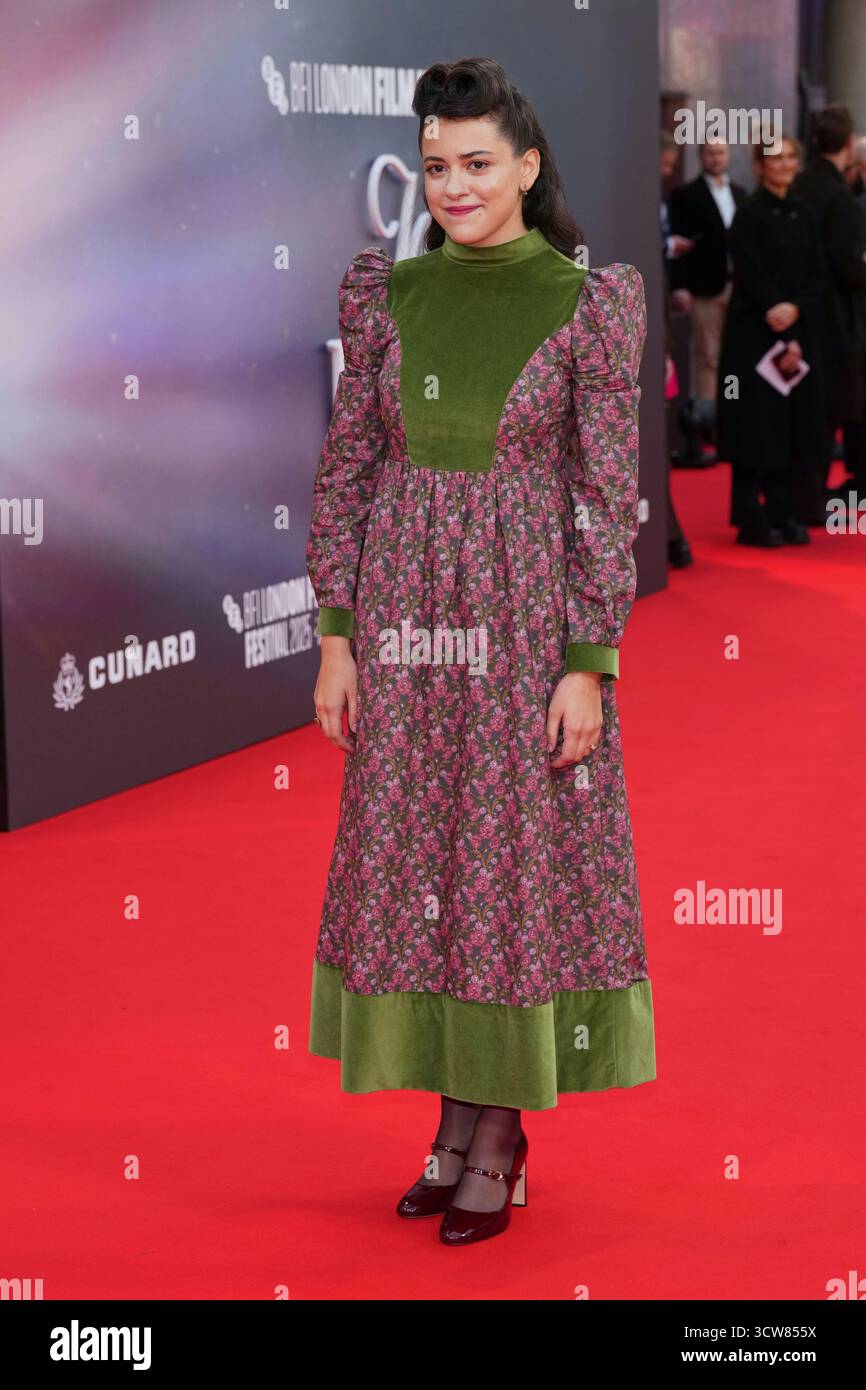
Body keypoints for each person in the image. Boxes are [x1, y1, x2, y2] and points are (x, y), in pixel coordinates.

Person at [306, 56, 656, 1247]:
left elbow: (608, 498)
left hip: (520, 627)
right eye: (438, 164)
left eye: (476, 164)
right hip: (405, 626)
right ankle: (454, 1123)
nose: (453, 186)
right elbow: (350, 467)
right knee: (424, 863)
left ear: (526, 165)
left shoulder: (585, 300)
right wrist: (339, 637)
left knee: (508, 875)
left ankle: (498, 1139)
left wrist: (585, 661)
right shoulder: (385, 293)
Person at [717, 134, 826, 546]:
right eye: (775, 158)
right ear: (761, 164)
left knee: (791, 424)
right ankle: (750, 519)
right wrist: (777, 311)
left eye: (790, 157)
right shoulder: (748, 215)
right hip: (754, 334)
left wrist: (795, 311)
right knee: (755, 425)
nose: (784, 164)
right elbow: (749, 272)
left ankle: (784, 511)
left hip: (798, 331)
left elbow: (819, 275)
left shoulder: (806, 213)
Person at [792, 105, 866, 517]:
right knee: (828, 409)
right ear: (848, 143)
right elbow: (846, 268)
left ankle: (801, 494)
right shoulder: (840, 197)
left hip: (797, 314)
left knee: (805, 410)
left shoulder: (800, 185)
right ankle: (812, 498)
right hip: (833, 320)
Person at [669, 141, 749, 420]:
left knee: (737, 354)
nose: (716, 158)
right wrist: (679, 285)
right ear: (701, 157)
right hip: (704, 287)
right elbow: (677, 246)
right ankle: (708, 419)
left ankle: (736, 415)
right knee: (708, 356)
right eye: (710, 153)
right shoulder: (685, 195)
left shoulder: (740, 194)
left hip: (738, 287)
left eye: (721, 152)